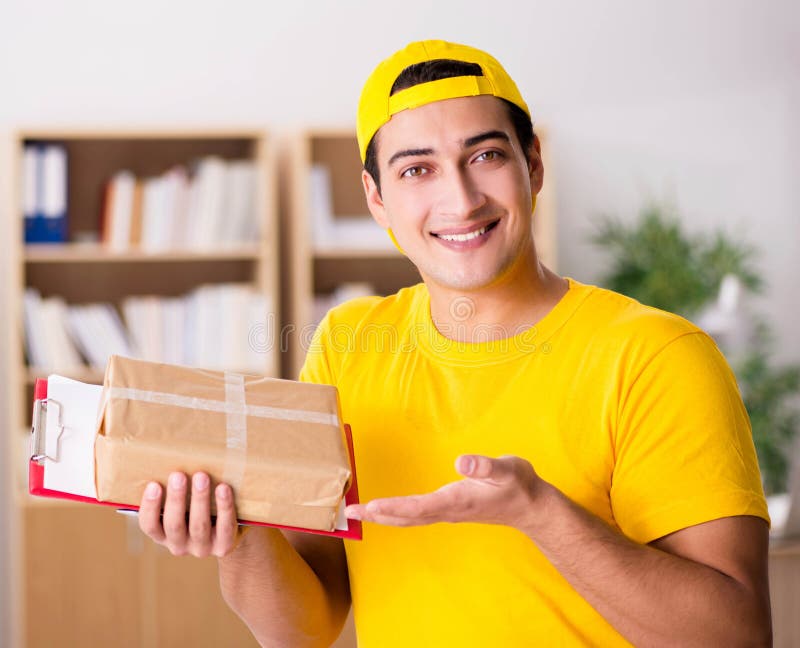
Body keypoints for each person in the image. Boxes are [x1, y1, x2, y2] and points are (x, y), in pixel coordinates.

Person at [138, 40, 772, 647]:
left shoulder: (656, 355)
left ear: (534, 165)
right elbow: (304, 629)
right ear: (378, 200)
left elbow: (736, 636)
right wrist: (239, 532)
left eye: (486, 156)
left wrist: (542, 516)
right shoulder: (346, 344)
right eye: (418, 169)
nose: (461, 199)